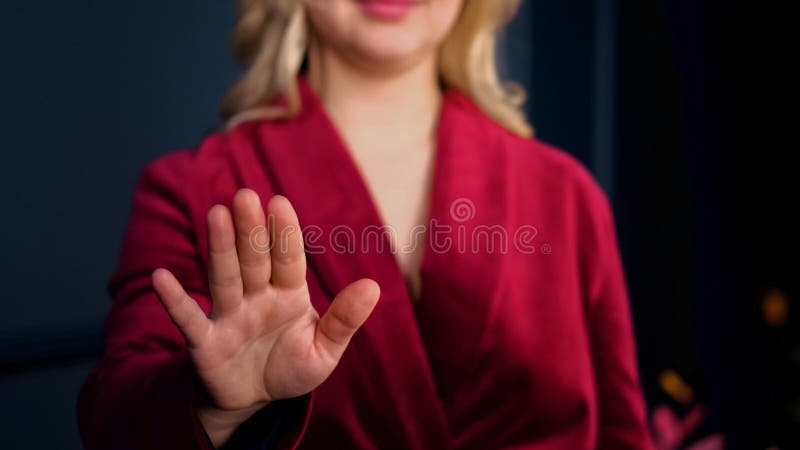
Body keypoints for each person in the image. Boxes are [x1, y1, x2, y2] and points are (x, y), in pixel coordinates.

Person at [78, 0, 654, 448]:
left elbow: (623, 438)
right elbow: (113, 424)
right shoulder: (190, 186)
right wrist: (214, 404)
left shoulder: (567, 193)